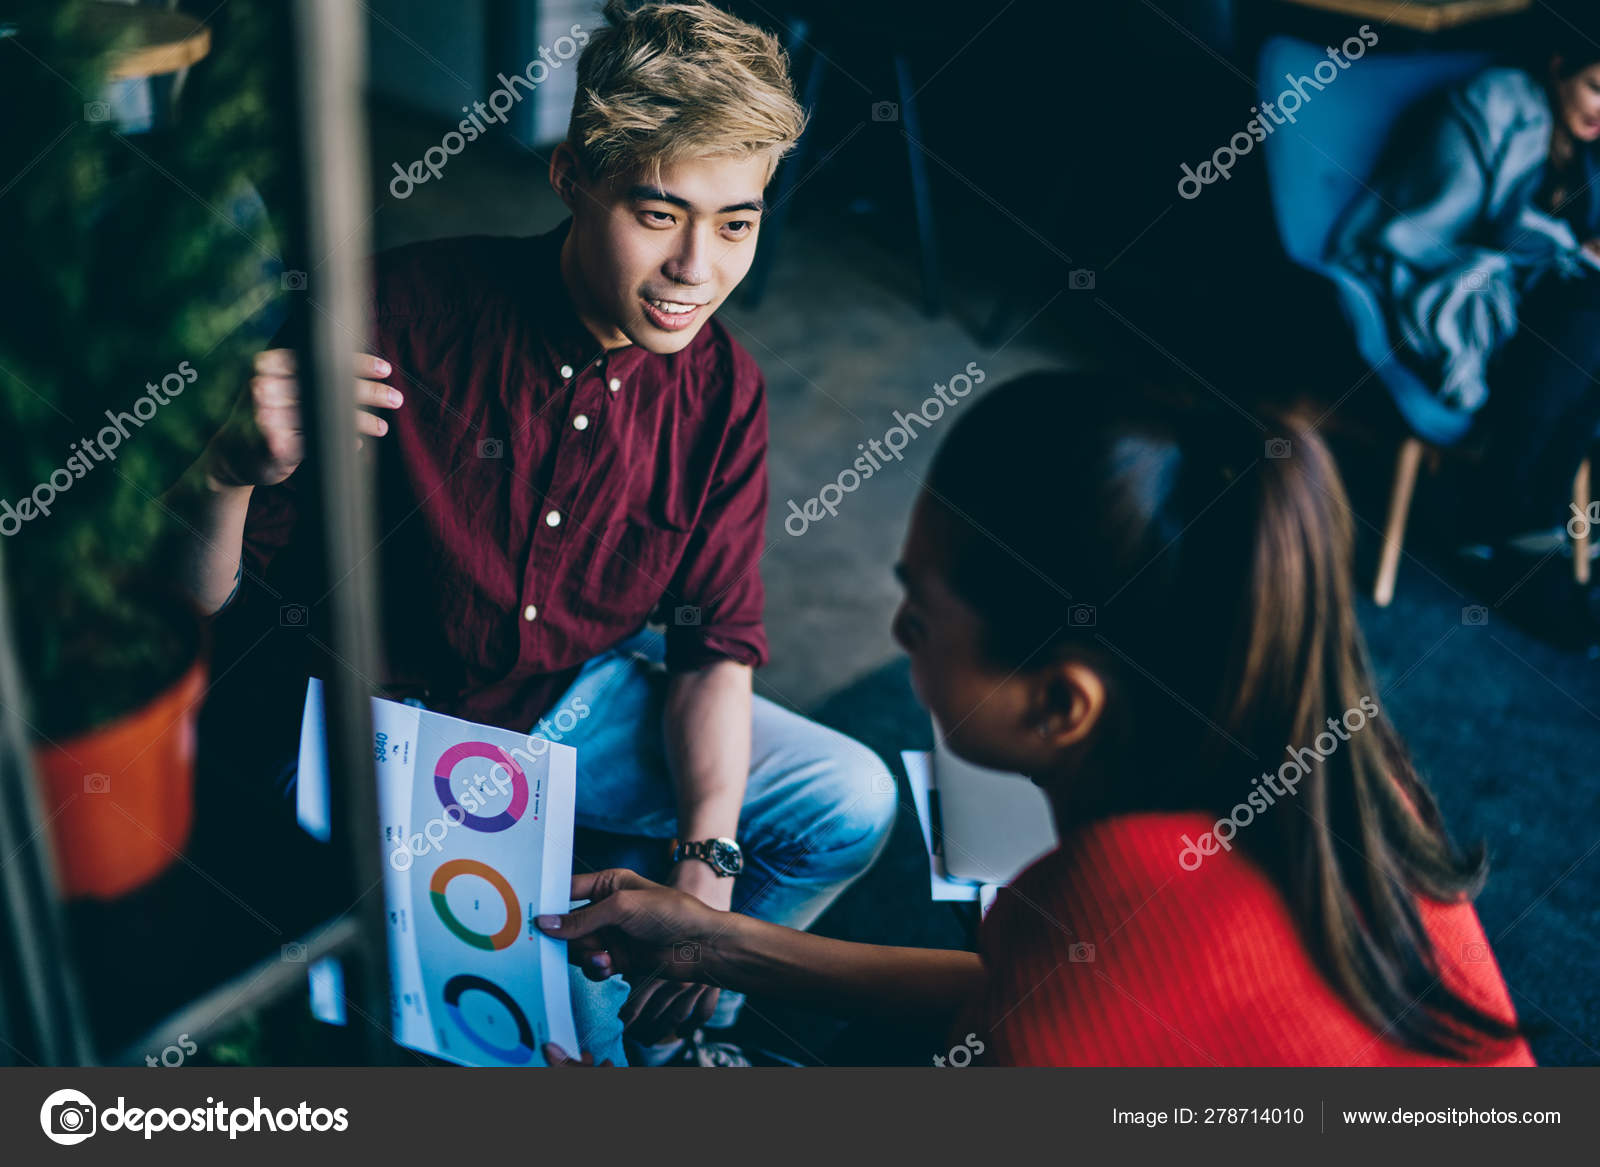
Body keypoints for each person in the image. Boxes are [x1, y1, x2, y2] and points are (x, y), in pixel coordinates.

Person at [179, 0, 896, 1067]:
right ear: (572, 178)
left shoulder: (722, 394)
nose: (697, 268)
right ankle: (616, 1039)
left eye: (735, 221)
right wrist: (225, 470)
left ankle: (681, 1030)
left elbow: (714, 650)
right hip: (385, 741)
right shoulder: (392, 319)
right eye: (660, 213)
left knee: (853, 797)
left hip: (566, 704)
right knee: (559, 1046)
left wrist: (706, 869)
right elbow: (205, 600)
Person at [537, 371, 1536, 1067]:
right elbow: (1019, 990)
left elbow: (1048, 1018)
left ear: (1060, 704)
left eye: (920, 615)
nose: (896, 630)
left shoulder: (1114, 894)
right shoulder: (1343, 771)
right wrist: (716, 943)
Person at [1328, 13, 1600, 613]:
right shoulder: (1491, 105)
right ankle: (1512, 532)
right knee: (1586, 312)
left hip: (1531, 319)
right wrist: (1560, 250)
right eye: (1596, 88)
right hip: (1438, 284)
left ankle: (1524, 530)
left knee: (1588, 312)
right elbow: (1430, 233)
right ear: (1558, 69)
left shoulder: (1586, 155)